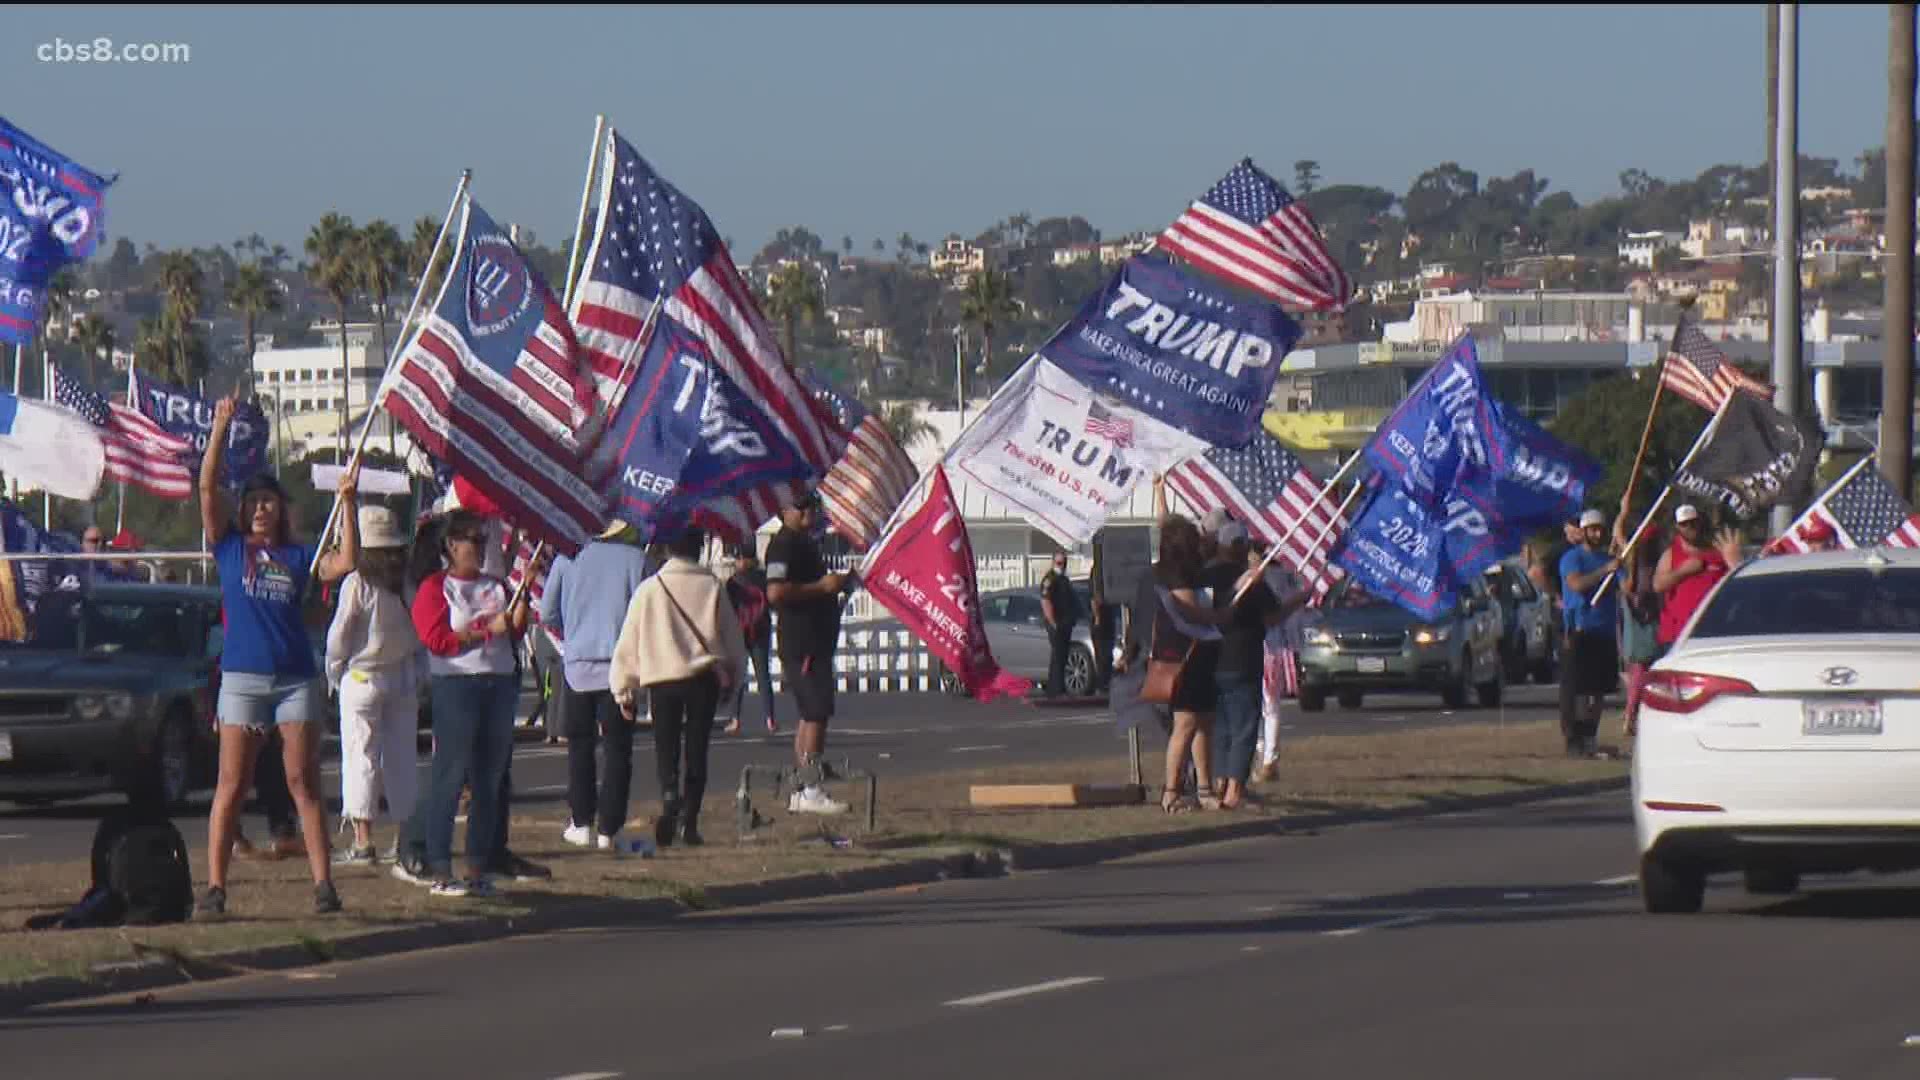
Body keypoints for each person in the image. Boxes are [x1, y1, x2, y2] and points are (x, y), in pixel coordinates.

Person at [195, 393, 357, 920]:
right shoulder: (228, 548)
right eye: (253, 501)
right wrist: (219, 427)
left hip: (293, 679)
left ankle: (324, 886)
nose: (261, 508)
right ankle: (216, 889)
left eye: (269, 501)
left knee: (302, 783)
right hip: (242, 679)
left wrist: (348, 502)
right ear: (242, 511)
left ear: (281, 510)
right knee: (232, 785)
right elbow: (205, 487)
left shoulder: (298, 555)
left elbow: (348, 561)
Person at [404, 508, 531, 898]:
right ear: (450, 546)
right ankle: (440, 865)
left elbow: (515, 626)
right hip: (457, 686)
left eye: (482, 541)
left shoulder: (495, 585)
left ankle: (478, 865)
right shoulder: (436, 588)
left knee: (489, 779)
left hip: (499, 683)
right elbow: (436, 638)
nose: (478, 548)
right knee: (451, 773)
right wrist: (481, 631)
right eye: (472, 541)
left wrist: (523, 593)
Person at [610, 526, 745, 849]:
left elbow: (629, 641)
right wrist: (734, 679)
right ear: (698, 548)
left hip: (662, 678)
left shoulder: (651, 588)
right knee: (697, 751)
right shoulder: (711, 585)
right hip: (703, 679)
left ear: (667, 549)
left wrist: (623, 689)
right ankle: (691, 821)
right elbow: (732, 639)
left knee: (665, 747)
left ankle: (670, 794)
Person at [539, 519, 653, 852]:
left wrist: (570, 634)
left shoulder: (567, 557)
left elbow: (547, 613)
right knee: (619, 750)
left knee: (579, 747)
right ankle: (610, 828)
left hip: (577, 665)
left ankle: (581, 822)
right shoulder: (638, 560)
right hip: (622, 667)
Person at [323, 506, 422, 866]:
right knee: (401, 759)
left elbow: (339, 637)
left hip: (362, 677)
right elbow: (418, 633)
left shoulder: (357, 583)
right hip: (402, 676)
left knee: (360, 757)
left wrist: (333, 672)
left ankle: (364, 840)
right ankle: (404, 837)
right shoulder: (406, 582)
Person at [1116, 515, 1235, 814]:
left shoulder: (1153, 573)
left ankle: (1204, 789)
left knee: (1204, 720)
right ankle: (1172, 792)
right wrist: (1222, 615)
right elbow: (1191, 611)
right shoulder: (1175, 575)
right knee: (1185, 723)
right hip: (1181, 658)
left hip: (1192, 655)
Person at [765, 492, 853, 815]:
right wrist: (822, 588)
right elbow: (775, 591)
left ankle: (803, 786)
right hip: (802, 643)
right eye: (800, 506)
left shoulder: (805, 542)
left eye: (812, 505)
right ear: (784, 511)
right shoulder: (783, 544)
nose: (808, 512)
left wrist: (840, 584)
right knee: (816, 712)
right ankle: (811, 788)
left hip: (815, 640)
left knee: (810, 715)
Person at [1206, 522, 1301, 810]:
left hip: (1210, 659)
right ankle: (1235, 789)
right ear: (1241, 548)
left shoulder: (1205, 575)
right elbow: (1272, 617)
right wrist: (1297, 602)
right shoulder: (1251, 581)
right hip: (1242, 658)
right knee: (1245, 726)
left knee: (1221, 725)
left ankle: (1219, 782)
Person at [1558, 509, 1621, 758]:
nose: (1597, 533)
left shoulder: (1608, 559)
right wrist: (1605, 571)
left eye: (1600, 529)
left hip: (1604, 630)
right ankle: (1575, 740)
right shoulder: (1573, 558)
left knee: (1599, 690)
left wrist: (1624, 556)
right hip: (1580, 629)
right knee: (1579, 689)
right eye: (1592, 529)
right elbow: (1576, 584)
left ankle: (1591, 738)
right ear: (1583, 531)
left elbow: (1626, 586)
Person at [1654, 504, 1742, 649]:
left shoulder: (1718, 552)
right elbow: (1658, 585)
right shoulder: (1671, 553)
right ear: (1677, 527)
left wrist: (1735, 563)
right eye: (1684, 524)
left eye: (1693, 522)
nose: (1690, 527)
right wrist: (1683, 571)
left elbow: (1740, 588)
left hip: (1712, 633)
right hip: (1678, 636)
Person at [723, 545, 776, 736]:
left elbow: (727, 609)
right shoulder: (763, 578)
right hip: (761, 630)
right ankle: (770, 718)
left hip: (740, 631)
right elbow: (771, 602)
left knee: (738, 676)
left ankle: (735, 719)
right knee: (764, 676)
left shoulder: (733, 582)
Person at [1039, 551, 1081, 697]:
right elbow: (1045, 601)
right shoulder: (1049, 579)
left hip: (1065, 623)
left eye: (1064, 563)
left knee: (1062, 656)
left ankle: (1059, 687)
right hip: (1056, 624)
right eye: (1059, 563)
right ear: (1053, 563)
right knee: (1057, 655)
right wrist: (1053, 622)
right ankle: (1054, 689)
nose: (1062, 566)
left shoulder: (1063, 579)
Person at [1087, 534, 1118, 695]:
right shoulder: (1099, 571)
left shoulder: (1106, 568)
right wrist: (1098, 617)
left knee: (1107, 654)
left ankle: (1105, 683)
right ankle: (1102, 685)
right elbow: (1096, 598)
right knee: (1103, 655)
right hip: (1101, 618)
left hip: (1107, 615)